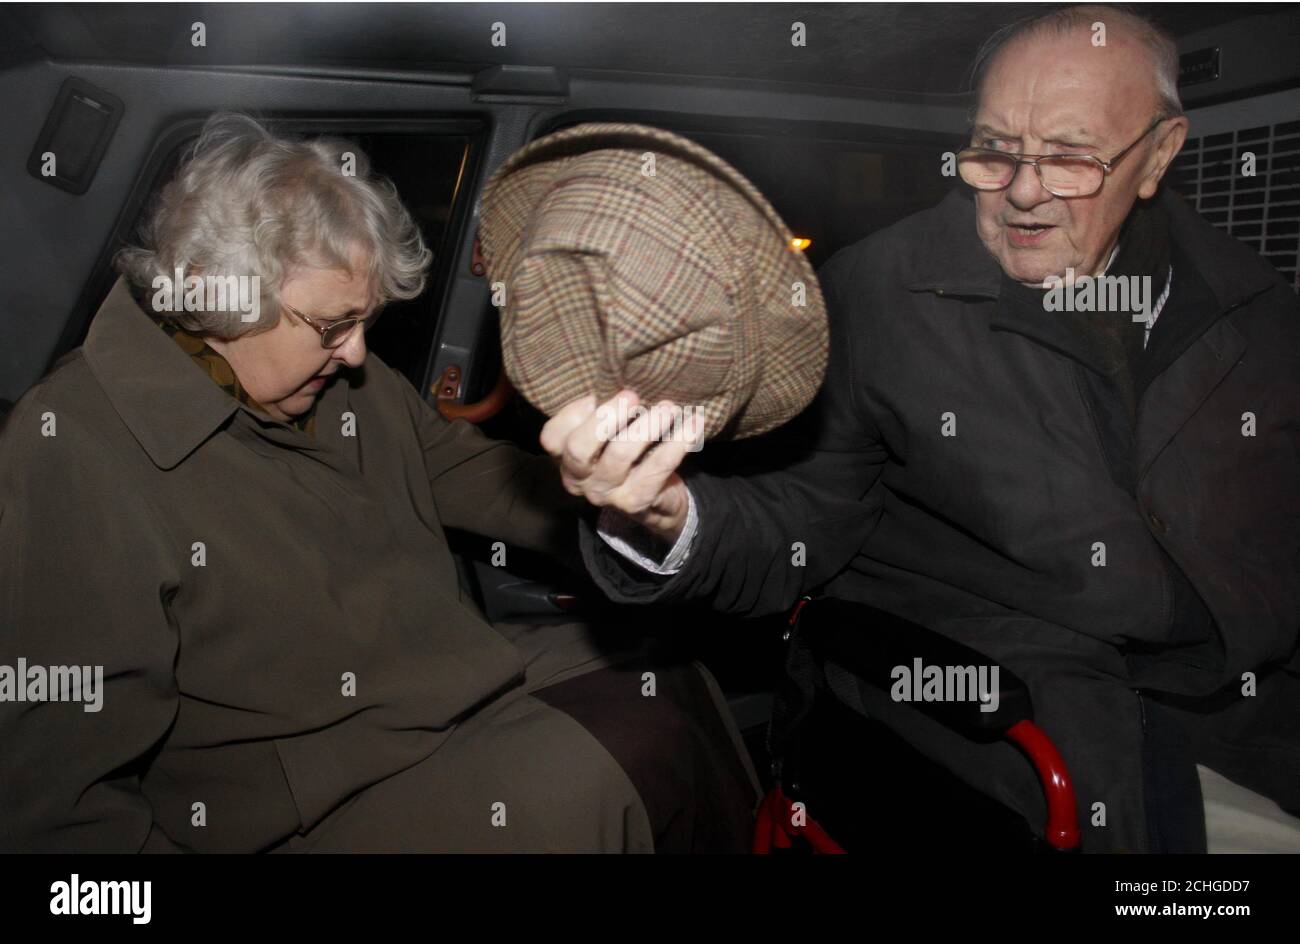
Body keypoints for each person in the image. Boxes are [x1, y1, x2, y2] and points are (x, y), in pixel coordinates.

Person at [549, 5, 1300, 853]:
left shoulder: (1257, 303)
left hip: (1252, 709)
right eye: (995, 149)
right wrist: (666, 519)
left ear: (1160, 153)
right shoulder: (880, 295)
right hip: (1020, 728)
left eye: (1068, 157)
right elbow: (794, 523)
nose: (1021, 189)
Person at [0, 112, 759, 853]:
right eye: (333, 327)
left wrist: (616, 497)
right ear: (215, 292)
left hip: (426, 681)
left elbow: (471, 472)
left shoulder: (331, 382)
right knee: (612, 765)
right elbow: (59, 792)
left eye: (365, 323)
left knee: (668, 677)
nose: (359, 354)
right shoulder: (75, 448)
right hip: (302, 790)